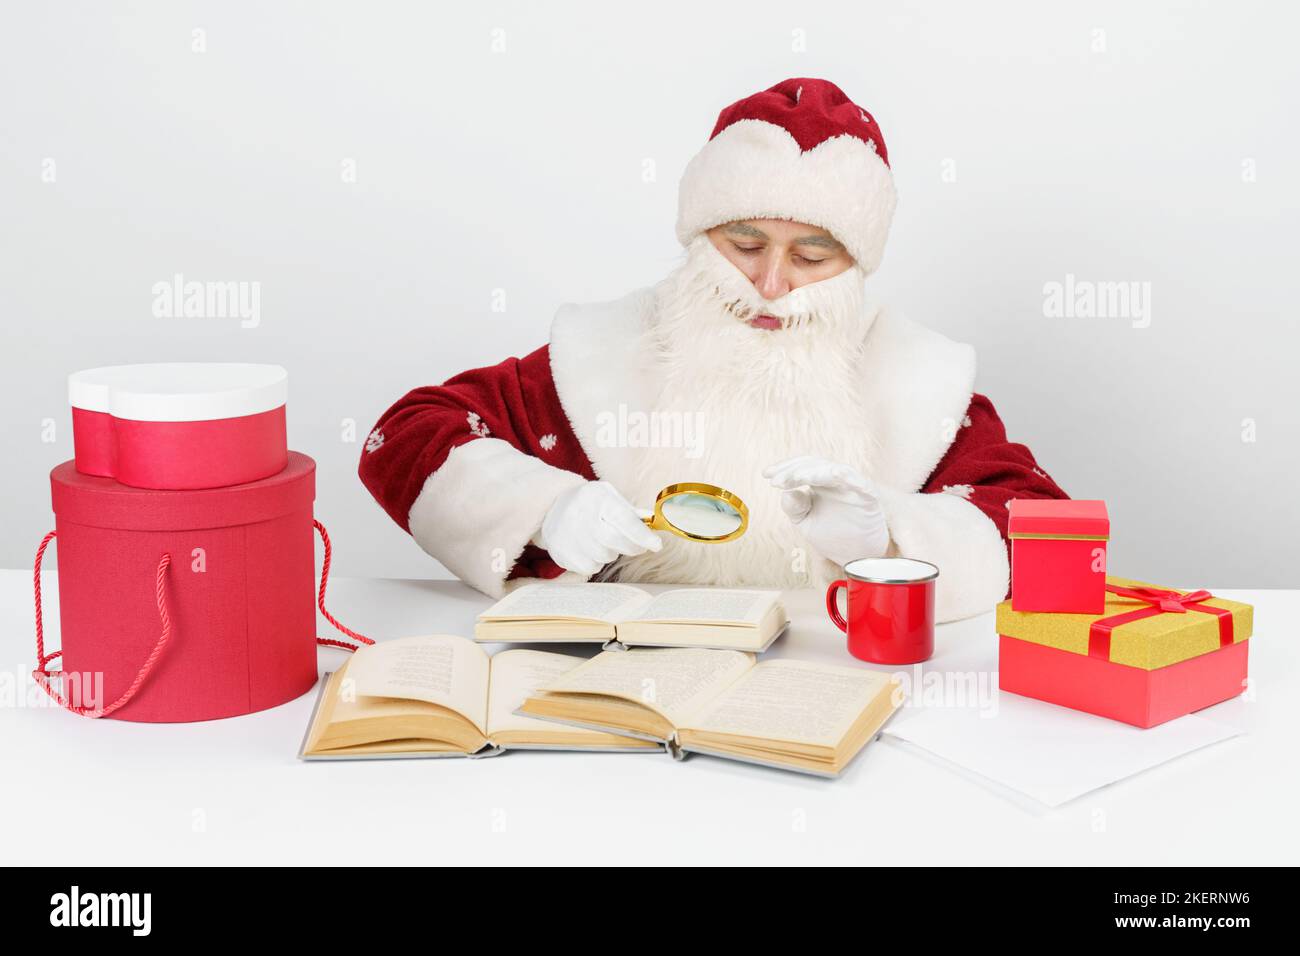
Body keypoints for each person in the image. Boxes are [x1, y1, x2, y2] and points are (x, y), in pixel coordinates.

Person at [359, 77, 1067, 621]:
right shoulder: (604, 356)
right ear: (700, 238)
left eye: (812, 257)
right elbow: (407, 434)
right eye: (746, 245)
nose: (770, 283)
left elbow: (1047, 536)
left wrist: (890, 540)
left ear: (855, 265)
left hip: (839, 685)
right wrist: (547, 511)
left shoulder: (917, 381)